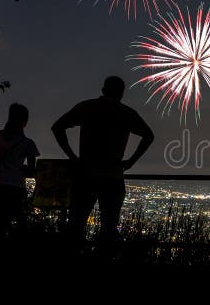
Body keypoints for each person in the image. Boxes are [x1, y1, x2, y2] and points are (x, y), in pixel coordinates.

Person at [51, 76, 154, 251]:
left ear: (103, 89)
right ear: (121, 93)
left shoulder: (87, 107)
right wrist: (131, 161)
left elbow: (57, 127)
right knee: (109, 227)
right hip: (113, 176)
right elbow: (149, 136)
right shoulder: (126, 113)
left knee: (76, 224)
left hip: (85, 174)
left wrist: (72, 156)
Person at [0, 103, 39, 239]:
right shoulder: (28, 143)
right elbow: (31, 171)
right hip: (16, 187)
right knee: (20, 224)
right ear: (25, 121)